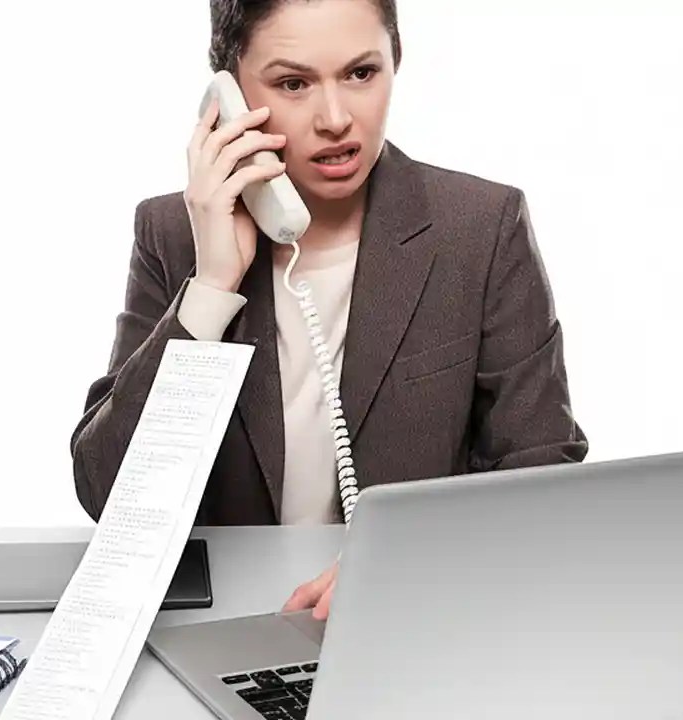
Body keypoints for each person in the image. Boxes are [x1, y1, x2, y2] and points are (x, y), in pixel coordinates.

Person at [70, 0, 588, 619]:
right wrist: (211, 287)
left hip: (415, 617)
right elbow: (108, 494)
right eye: (294, 84)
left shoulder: (479, 228)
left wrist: (419, 563)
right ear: (228, 97)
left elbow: (542, 475)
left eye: (361, 73)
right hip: (225, 624)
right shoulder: (173, 234)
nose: (337, 119)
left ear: (396, 62)